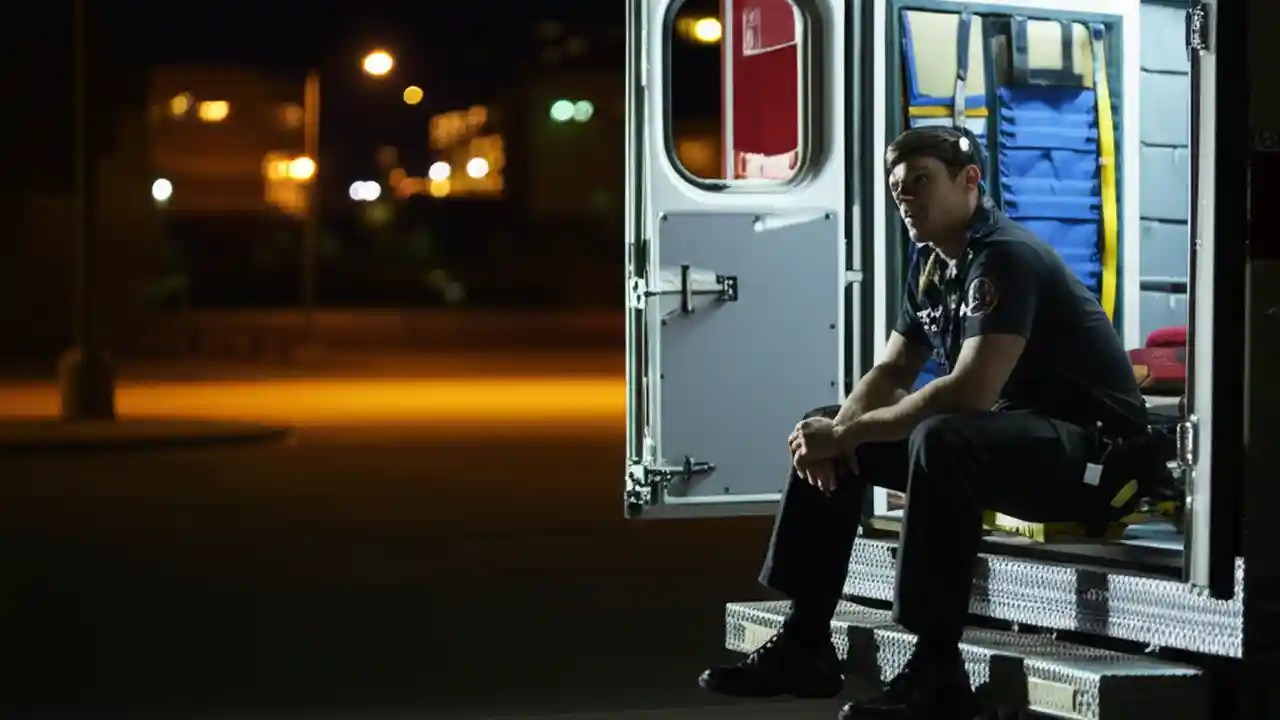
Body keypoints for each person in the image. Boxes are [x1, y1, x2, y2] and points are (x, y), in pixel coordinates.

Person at [697, 126, 1149, 719]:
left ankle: (938, 670)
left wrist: (849, 435)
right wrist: (833, 435)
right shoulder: (932, 265)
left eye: (920, 183)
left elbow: (967, 390)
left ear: (970, 182)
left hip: (1093, 458)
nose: (906, 199)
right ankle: (807, 641)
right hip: (1014, 441)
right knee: (827, 421)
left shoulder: (1004, 256)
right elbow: (891, 368)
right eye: (897, 189)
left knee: (941, 439)